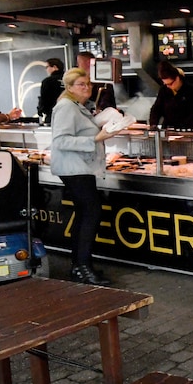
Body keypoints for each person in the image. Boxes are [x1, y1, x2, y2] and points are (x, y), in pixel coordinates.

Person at [50, 67, 118, 286]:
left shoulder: (77, 107)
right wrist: (96, 138)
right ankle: (82, 267)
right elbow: (61, 140)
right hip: (74, 168)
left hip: (81, 168)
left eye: (88, 83)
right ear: (69, 87)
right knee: (91, 212)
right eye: (81, 84)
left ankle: (80, 265)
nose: (87, 87)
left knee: (84, 214)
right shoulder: (66, 107)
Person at [148, 60, 193, 131]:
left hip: (187, 130)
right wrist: (153, 124)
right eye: (165, 84)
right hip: (168, 129)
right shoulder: (164, 90)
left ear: (177, 78)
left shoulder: (191, 91)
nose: (168, 86)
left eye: (170, 84)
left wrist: (182, 129)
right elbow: (156, 109)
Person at [36, 58, 64, 125]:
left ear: (54, 67)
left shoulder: (48, 81)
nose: (46, 70)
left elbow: (44, 99)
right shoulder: (69, 79)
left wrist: (41, 110)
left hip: (53, 115)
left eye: (47, 67)